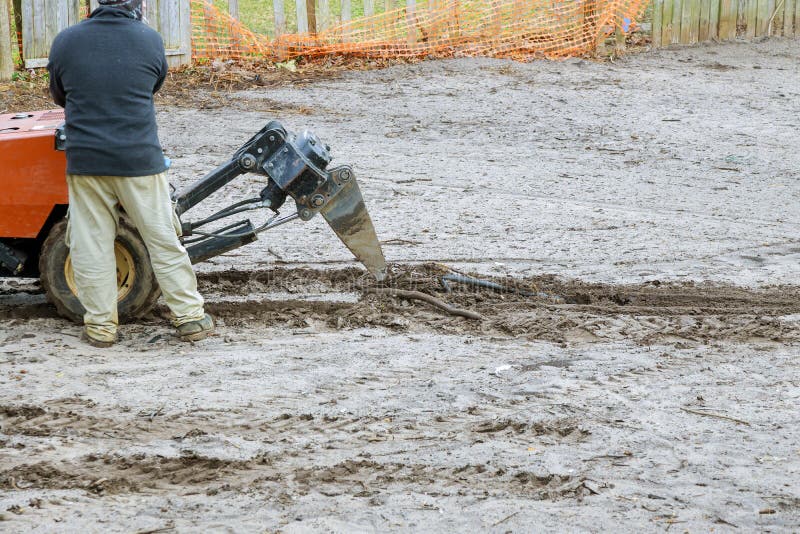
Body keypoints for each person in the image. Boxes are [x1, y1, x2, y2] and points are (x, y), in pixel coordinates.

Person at [47, 0, 213, 347]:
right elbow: (152, 85)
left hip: (87, 161)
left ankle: (101, 328)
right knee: (162, 239)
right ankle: (190, 318)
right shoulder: (149, 40)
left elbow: (60, 94)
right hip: (139, 160)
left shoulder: (65, 41)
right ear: (136, 5)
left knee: (90, 245)